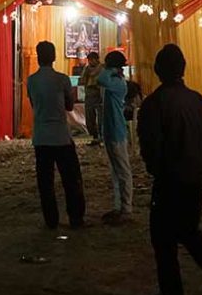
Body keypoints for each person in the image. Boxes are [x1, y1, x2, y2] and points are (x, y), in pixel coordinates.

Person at [138, 44, 202, 295]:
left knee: (164, 236)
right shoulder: (198, 100)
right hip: (193, 177)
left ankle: (188, 286)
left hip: (169, 178)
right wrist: (196, 156)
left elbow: (150, 144)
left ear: (158, 71)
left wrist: (157, 166)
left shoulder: (154, 104)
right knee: (186, 230)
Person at [26, 41, 85, 230]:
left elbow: (34, 105)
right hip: (61, 136)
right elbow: (69, 105)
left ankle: (51, 220)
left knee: (45, 182)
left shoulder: (31, 81)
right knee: (71, 179)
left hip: (41, 137)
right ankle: (75, 218)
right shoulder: (62, 79)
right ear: (54, 57)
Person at [97, 51, 132, 225]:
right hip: (111, 131)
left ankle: (126, 208)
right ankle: (119, 207)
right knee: (116, 171)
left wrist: (109, 70)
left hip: (117, 131)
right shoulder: (115, 81)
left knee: (123, 171)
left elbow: (100, 79)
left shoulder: (117, 83)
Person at [78, 51, 103, 145]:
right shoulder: (87, 69)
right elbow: (82, 81)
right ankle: (94, 136)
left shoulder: (102, 69)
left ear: (96, 60)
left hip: (99, 94)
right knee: (89, 118)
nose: (89, 62)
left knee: (101, 118)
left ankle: (101, 137)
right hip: (89, 94)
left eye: (91, 60)